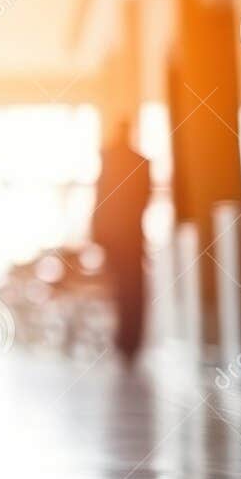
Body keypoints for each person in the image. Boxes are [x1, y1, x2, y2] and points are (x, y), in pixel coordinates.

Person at [92, 120, 152, 364]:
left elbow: (100, 199)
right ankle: (130, 343)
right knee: (132, 289)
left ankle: (125, 343)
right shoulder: (140, 162)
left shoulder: (111, 160)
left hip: (116, 238)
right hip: (130, 237)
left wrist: (98, 234)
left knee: (121, 289)